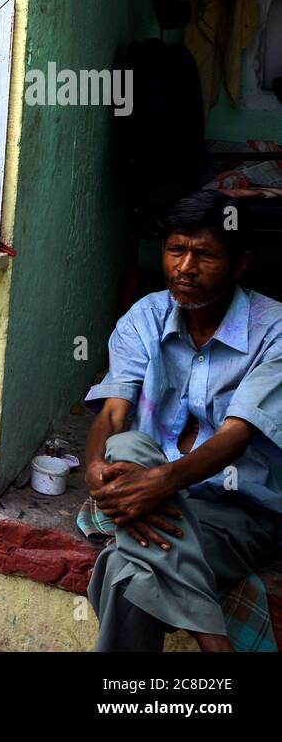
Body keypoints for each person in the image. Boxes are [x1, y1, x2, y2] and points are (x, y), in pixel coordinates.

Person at [83, 191, 282, 652]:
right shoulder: (146, 316)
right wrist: (94, 468)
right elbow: (114, 408)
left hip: (236, 508)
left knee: (126, 571)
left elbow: (237, 435)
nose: (185, 268)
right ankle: (215, 642)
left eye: (205, 254)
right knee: (124, 447)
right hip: (141, 488)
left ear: (240, 263)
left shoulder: (273, 331)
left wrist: (162, 483)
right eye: (176, 250)